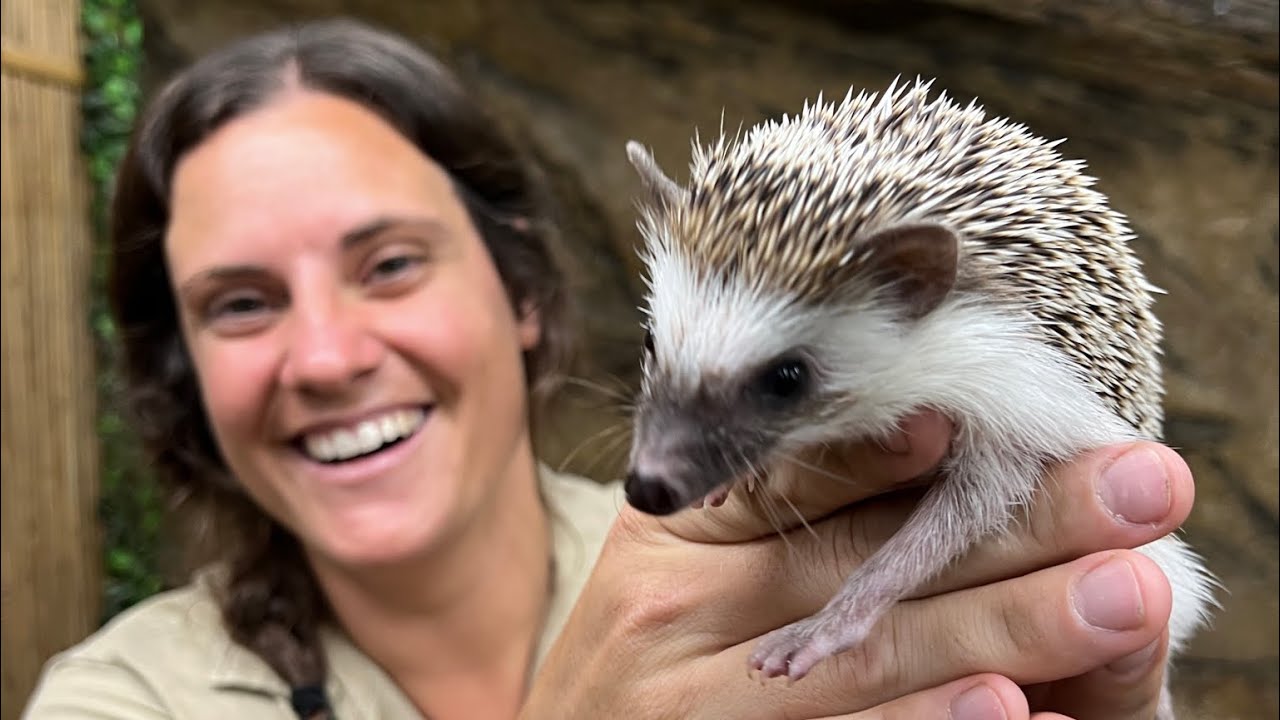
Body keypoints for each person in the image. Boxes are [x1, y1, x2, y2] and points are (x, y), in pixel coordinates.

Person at [24, 17, 1194, 720]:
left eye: (387, 265)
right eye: (239, 303)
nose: (326, 356)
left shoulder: (978, 380)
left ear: (525, 294)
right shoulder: (126, 699)